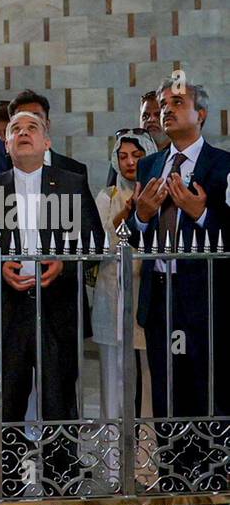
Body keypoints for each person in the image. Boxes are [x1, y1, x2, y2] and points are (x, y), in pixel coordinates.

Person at [0, 110, 105, 498]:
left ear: (47, 142)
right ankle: (6, 488)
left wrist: (63, 266)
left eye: (33, 128)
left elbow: (95, 244)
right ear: (6, 144)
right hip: (8, 312)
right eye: (15, 129)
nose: (24, 133)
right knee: (6, 400)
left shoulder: (71, 183)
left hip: (57, 309)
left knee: (59, 401)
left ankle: (61, 491)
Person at [126, 77, 230, 491]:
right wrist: (143, 217)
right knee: (168, 406)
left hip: (206, 306)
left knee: (210, 403)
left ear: (200, 114)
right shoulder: (152, 166)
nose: (167, 109)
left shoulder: (223, 166)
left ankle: (213, 501)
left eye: (178, 102)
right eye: (164, 103)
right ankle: (174, 498)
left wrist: (202, 215)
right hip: (161, 303)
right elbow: (133, 237)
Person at [93, 128, 156, 432]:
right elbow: (101, 241)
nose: (130, 162)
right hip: (112, 293)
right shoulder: (108, 196)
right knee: (113, 376)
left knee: (148, 377)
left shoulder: (159, 191)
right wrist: (126, 216)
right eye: (123, 156)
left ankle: (147, 461)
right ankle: (114, 462)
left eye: (137, 155)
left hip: (148, 293)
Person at [7, 89, 89, 176]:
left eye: (35, 118)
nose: (25, 131)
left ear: (47, 124)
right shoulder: (0, 168)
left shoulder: (74, 170)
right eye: (22, 117)